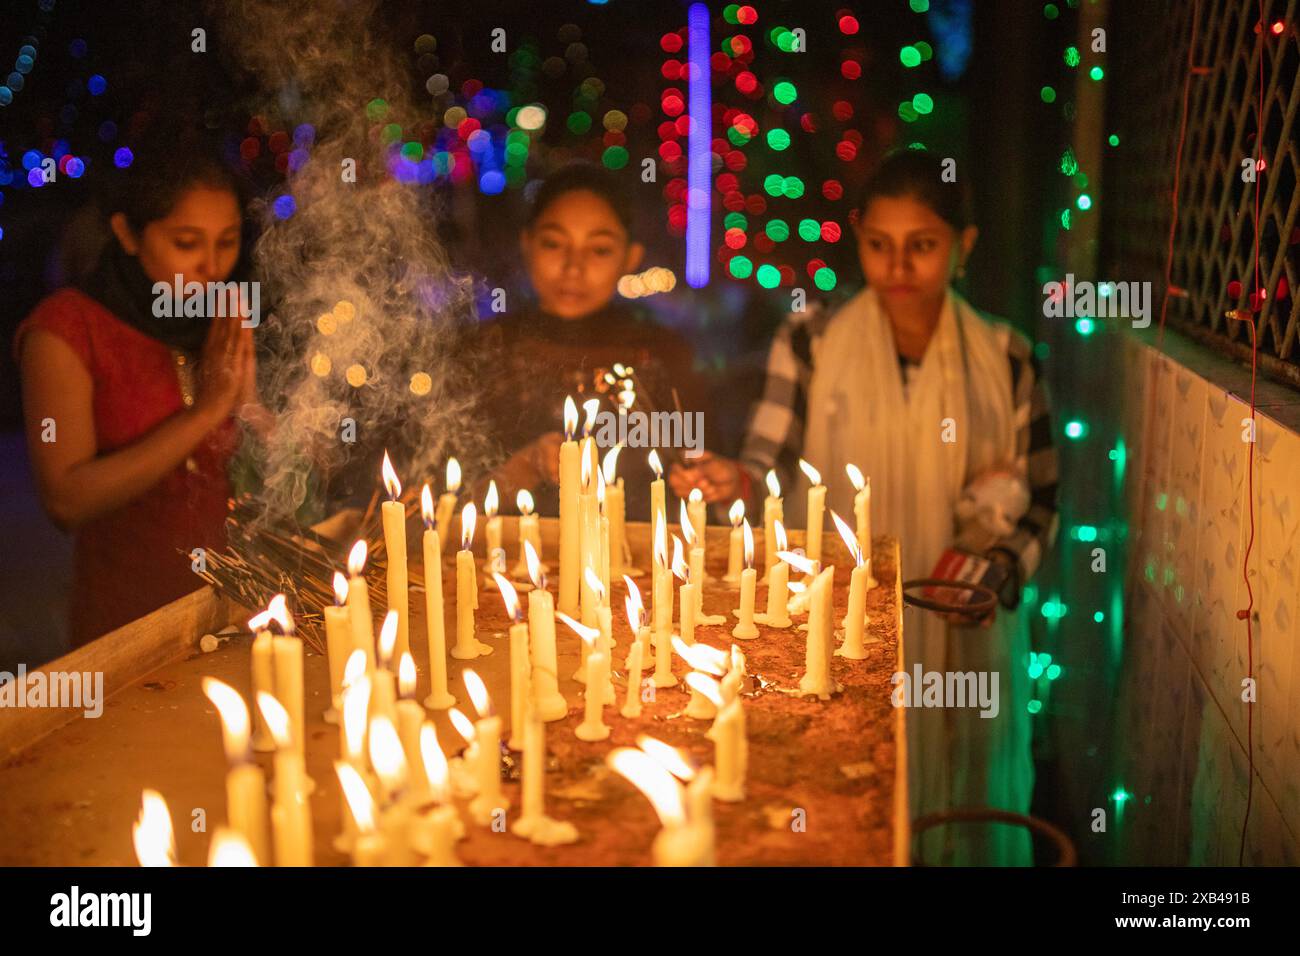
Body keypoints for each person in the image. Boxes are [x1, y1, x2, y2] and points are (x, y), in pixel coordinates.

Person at [670, 149, 1059, 865]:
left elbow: (1040, 502)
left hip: (963, 625)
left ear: (962, 246)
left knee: (959, 790)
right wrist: (736, 479)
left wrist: (996, 570)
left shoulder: (1007, 356)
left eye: (923, 246)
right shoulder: (812, 341)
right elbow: (771, 457)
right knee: (848, 780)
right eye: (879, 245)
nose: (898, 266)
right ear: (857, 237)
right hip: (842, 615)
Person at [14, 134, 271, 649]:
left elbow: (261, 456)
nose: (212, 267)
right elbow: (66, 500)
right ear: (127, 234)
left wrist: (253, 412)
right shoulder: (66, 329)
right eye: (186, 242)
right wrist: (205, 413)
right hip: (131, 623)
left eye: (227, 240)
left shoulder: (215, 316)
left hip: (235, 607)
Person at [476, 161, 705, 519]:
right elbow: (432, 504)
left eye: (599, 250)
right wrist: (523, 468)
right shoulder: (481, 352)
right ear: (527, 243)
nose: (573, 267)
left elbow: (701, 482)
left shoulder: (663, 354)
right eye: (553, 244)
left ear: (630, 258)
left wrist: (709, 480)